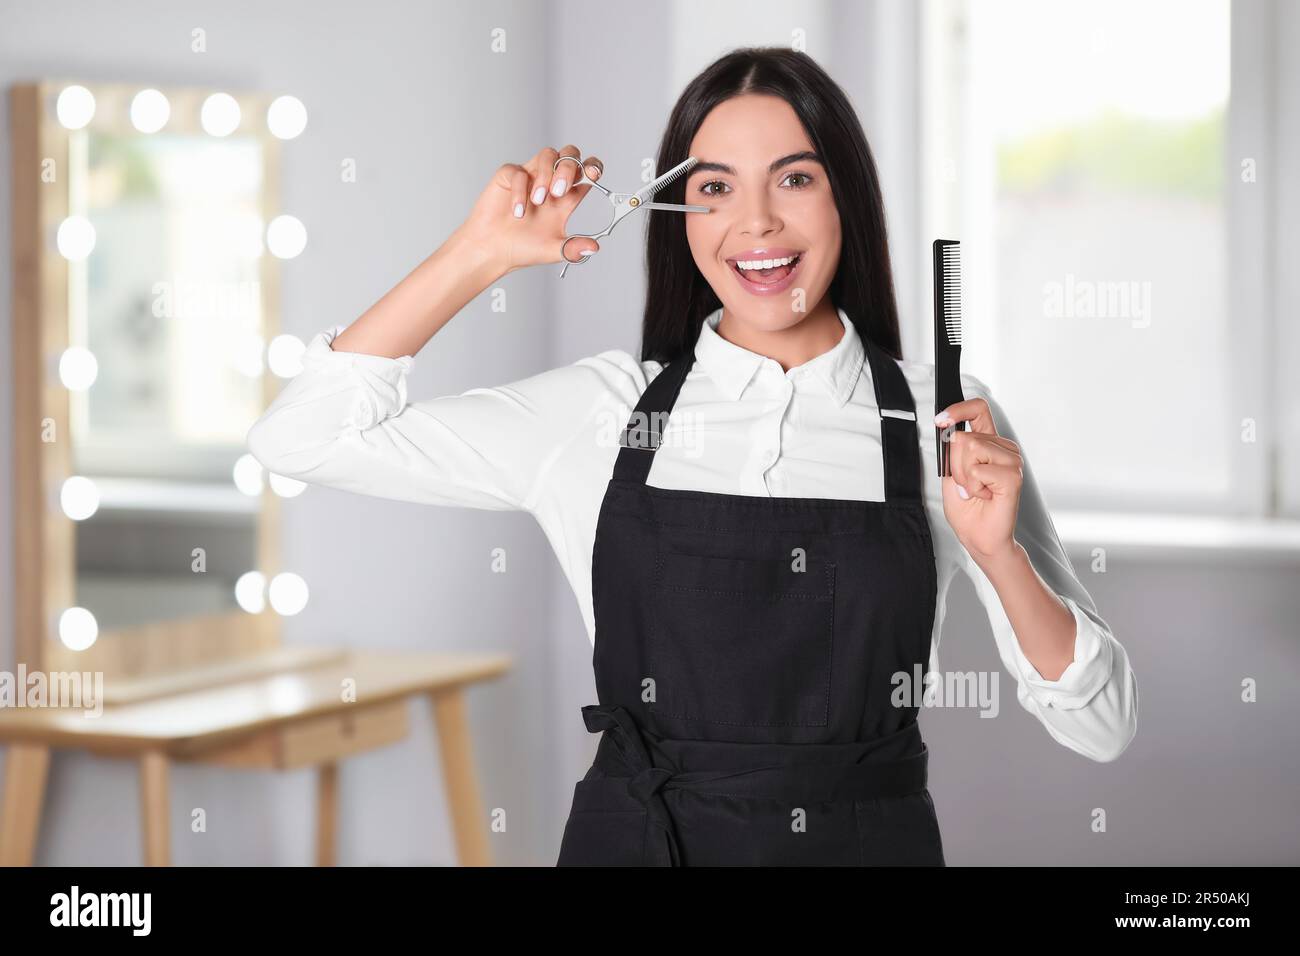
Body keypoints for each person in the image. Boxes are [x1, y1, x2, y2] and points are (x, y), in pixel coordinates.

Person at [246, 46, 1138, 866]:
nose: (755, 222)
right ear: (680, 212)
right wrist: (477, 256)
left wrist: (999, 553)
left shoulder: (943, 421)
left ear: (845, 201)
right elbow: (301, 437)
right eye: (714, 189)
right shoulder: (600, 414)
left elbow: (1102, 728)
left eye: (794, 179)